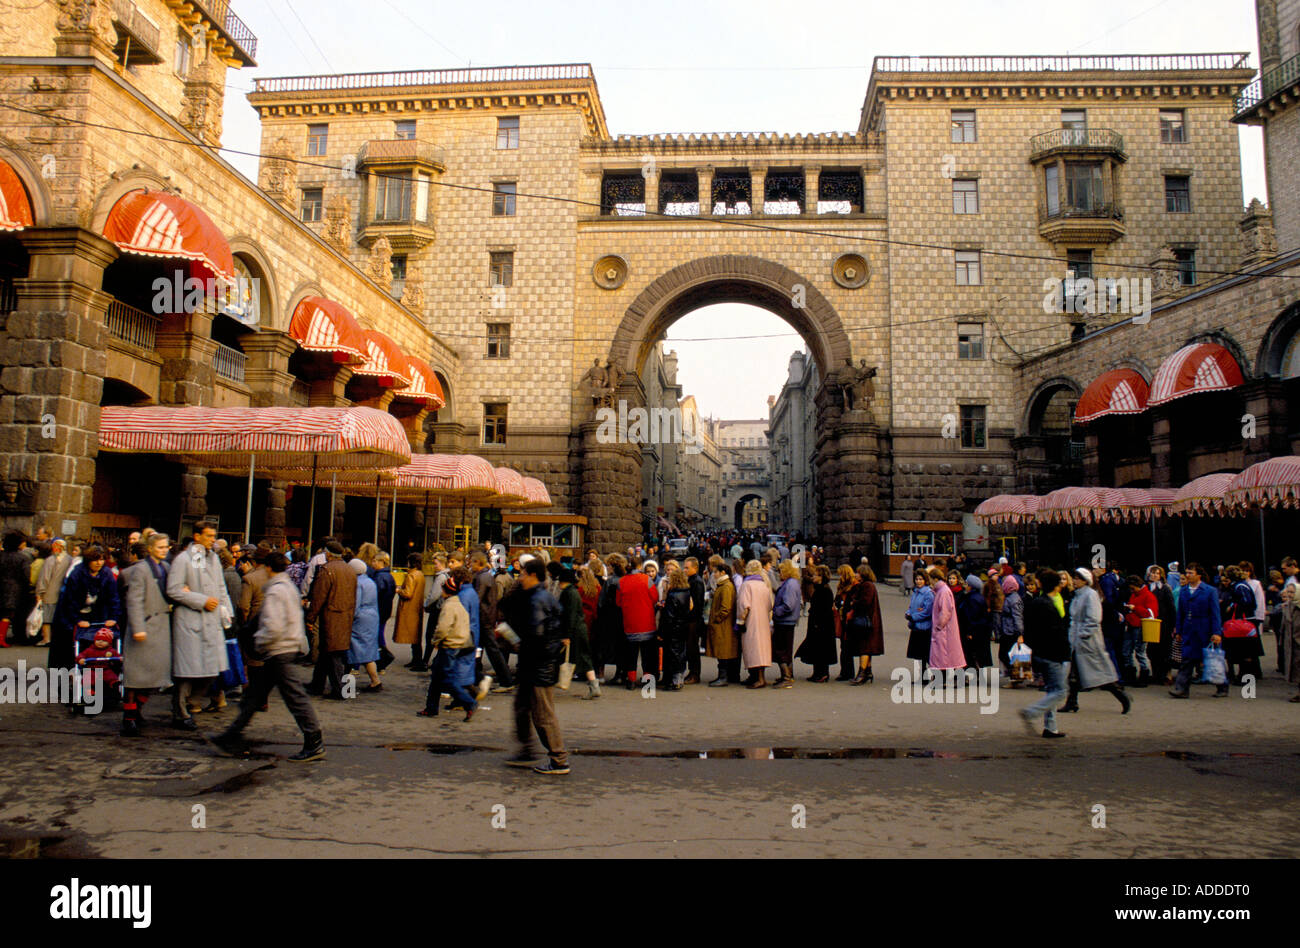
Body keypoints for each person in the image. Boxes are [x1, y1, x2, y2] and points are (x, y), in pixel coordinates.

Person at [213, 552, 324, 762]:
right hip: (286, 647)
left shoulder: (275, 591)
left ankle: (314, 740)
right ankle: (231, 735)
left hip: (278, 650)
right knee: (255, 696)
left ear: (268, 568)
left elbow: (272, 626)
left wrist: (259, 644)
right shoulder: (289, 588)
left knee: (294, 697)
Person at [499, 558, 568, 775]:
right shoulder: (540, 596)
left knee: (543, 715)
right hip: (537, 663)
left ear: (532, 575)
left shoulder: (536, 599)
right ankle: (527, 750)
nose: (519, 577)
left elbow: (535, 636)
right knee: (523, 708)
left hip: (538, 665)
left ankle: (559, 759)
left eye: (522, 574)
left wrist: (512, 638)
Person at [119, 533, 173, 737]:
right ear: (150, 549)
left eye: (166, 547)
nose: (164, 550)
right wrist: (138, 627)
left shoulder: (166, 568)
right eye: (160, 547)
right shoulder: (141, 569)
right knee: (135, 676)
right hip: (144, 626)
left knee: (155, 675)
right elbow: (133, 600)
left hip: (161, 627)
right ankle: (129, 718)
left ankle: (138, 711)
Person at [1061, 568, 1131, 714]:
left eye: (1078, 578)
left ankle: (1121, 696)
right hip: (1076, 640)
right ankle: (1072, 702)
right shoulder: (1077, 595)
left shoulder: (1091, 595)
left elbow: (1094, 618)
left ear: (1086, 581)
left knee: (1100, 673)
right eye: (1074, 578)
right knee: (1073, 674)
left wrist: (1083, 634)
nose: (1074, 581)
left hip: (1089, 641)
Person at [1019, 569, 1071, 739]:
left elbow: (1029, 629)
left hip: (1041, 652)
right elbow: (1057, 632)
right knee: (1060, 691)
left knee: (1051, 690)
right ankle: (1031, 712)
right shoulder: (1049, 605)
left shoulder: (1036, 602)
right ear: (1056, 586)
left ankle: (1051, 727)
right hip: (1054, 654)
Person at [419, 573, 477, 721]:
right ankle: (431, 707)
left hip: (449, 645)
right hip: (458, 643)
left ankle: (469, 702)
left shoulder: (449, 606)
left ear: (446, 591)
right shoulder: (459, 604)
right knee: (437, 677)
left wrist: (435, 640)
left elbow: (443, 628)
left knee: (447, 679)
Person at [305, 540, 357, 699]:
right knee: (327, 652)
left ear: (328, 554)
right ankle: (317, 684)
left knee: (332, 653)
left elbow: (318, 597)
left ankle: (340, 690)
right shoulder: (350, 570)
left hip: (331, 616)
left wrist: (310, 617)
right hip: (346, 616)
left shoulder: (327, 570)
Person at [1170, 563, 1225, 698]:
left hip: (1205, 630)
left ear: (1198, 575)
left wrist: (1217, 632)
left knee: (1211, 660)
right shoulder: (1183, 591)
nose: (1187, 575)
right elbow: (1180, 613)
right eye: (1187, 573)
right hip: (1189, 630)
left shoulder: (1209, 591)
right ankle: (1182, 689)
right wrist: (1179, 631)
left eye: (1191, 573)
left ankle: (1222, 686)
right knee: (1186, 660)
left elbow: (1215, 613)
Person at [552, 562, 599, 698]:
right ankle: (594, 685)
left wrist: (566, 635)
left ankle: (551, 684)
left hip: (574, 631)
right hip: (580, 629)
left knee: (575, 657)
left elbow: (569, 615)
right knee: (584, 657)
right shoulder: (572, 592)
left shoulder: (569, 593)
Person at [470, 552, 513, 691]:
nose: (470, 565)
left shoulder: (482, 578)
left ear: (478, 563)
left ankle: (506, 681)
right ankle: (476, 677)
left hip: (484, 618)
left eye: (472, 562)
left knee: (491, 650)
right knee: (480, 649)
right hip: (486, 617)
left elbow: (477, 598)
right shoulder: (486, 576)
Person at [617, 553, 660, 688]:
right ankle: (648, 680)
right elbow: (655, 598)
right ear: (641, 566)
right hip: (646, 622)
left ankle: (631, 680)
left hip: (630, 623)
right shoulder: (646, 580)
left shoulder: (621, 582)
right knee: (647, 655)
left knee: (631, 654)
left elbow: (618, 602)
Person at [736, 560, 774, 688]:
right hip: (763, 620)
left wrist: (740, 620)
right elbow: (769, 604)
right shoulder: (763, 584)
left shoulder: (747, 585)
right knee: (761, 649)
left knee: (753, 649)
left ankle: (758, 678)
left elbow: (743, 605)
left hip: (751, 620)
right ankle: (756, 676)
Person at [795, 565, 836, 681]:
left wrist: (818, 622)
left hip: (822, 624)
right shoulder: (819, 588)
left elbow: (824, 609)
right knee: (816, 648)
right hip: (817, 623)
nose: (814, 577)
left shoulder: (825, 590)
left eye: (816, 575)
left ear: (822, 577)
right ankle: (817, 672)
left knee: (821, 648)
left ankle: (822, 673)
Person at [347, 558, 382, 692]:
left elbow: (356, 604)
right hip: (372, 617)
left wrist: (350, 617)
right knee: (368, 649)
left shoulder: (357, 583)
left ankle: (349, 684)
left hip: (360, 619)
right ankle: (375, 680)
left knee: (357, 649)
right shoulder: (370, 581)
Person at [926, 566, 965, 682]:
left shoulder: (943, 592)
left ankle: (940, 679)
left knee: (942, 656)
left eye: (931, 579)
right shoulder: (942, 590)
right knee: (945, 656)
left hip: (943, 630)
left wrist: (939, 626)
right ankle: (942, 678)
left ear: (935, 579)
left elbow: (945, 612)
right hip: (944, 629)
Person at [659, 567, 693, 690]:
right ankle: (679, 678)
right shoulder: (686, 592)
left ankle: (674, 681)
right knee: (680, 653)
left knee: (672, 654)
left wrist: (662, 630)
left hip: (673, 628)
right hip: (683, 626)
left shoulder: (673, 595)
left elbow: (669, 616)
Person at [706, 559, 740, 685]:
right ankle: (725, 676)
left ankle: (723, 677)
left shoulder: (726, 586)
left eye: (715, 572)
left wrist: (716, 619)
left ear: (722, 572)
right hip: (723, 625)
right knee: (723, 651)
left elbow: (725, 608)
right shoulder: (725, 585)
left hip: (723, 625)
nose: (714, 574)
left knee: (723, 652)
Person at [33, 537, 71, 648]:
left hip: (50, 592)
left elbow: (44, 578)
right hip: (64, 593)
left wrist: (40, 592)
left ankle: (46, 638)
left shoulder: (50, 560)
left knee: (47, 617)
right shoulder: (69, 559)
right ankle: (56, 638)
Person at [1120, 574, 1157, 687]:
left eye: (1132, 588)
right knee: (1127, 651)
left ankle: (1144, 675)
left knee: (1140, 652)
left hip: (1140, 626)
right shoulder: (1136, 595)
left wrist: (1134, 608)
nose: (1131, 590)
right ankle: (1133, 676)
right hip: (1131, 625)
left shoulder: (1148, 596)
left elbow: (1151, 614)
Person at [771, 560, 802, 688]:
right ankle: (788, 675)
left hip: (784, 621)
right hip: (788, 621)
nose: (779, 574)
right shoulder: (793, 583)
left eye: (781, 571)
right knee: (786, 649)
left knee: (780, 650)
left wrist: (776, 611)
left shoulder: (789, 585)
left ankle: (786, 677)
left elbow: (788, 605)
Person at [393, 552, 426, 669]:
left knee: (414, 638)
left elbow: (408, 593)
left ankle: (417, 660)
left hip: (409, 609)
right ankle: (416, 659)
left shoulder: (411, 575)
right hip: (417, 608)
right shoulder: (420, 574)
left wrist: (398, 590)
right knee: (416, 637)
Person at [0, 531, 31, 646]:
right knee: (7, 614)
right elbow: (26, 575)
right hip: (14, 589)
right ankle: (1, 638)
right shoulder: (22, 558)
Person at [957, 574, 993, 671]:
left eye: (967, 584)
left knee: (973, 654)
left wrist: (969, 632)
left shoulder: (972, 599)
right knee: (978, 654)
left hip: (975, 631)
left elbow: (971, 617)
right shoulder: (978, 597)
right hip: (981, 630)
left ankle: (976, 674)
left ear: (971, 586)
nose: (965, 586)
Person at [369, 552, 397, 673]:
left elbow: (375, 594)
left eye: (375, 561)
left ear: (381, 562)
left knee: (377, 636)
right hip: (385, 609)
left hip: (378, 610)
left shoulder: (380, 577)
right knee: (379, 633)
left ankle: (383, 658)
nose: (372, 563)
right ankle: (381, 661)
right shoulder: (388, 576)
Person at [905, 568, 934, 675]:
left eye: (921, 579)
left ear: (925, 580)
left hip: (924, 627)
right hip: (916, 626)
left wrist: (914, 617)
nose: (918, 581)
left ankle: (935, 674)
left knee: (926, 654)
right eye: (917, 579)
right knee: (918, 655)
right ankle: (922, 675)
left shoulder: (928, 593)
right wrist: (908, 613)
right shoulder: (916, 592)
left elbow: (927, 611)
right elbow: (912, 606)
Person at [833, 564, 857, 680]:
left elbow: (853, 602)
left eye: (841, 574)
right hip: (842, 617)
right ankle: (845, 671)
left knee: (847, 647)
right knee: (844, 646)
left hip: (849, 619)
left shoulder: (854, 586)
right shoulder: (842, 586)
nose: (840, 577)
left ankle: (848, 672)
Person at [683, 557, 705, 684]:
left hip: (693, 620)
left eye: (687, 568)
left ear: (695, 568)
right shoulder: (692, 580)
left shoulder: (696, 581)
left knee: (692, 648)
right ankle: (692, 672)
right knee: (690, 648)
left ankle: (695, 674)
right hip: (692, 619)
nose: (685, 570)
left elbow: (696, 603)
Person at [998, 574, 1024, 679]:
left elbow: (1017, 617)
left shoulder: (1013, 599)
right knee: (1006, 655)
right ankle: (1014, 676)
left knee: (1006, 655)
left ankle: (1015, 676)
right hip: (1007, 630)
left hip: (1011, 631)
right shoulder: (1010, 597)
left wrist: (1019, 633)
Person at [1279, 584, 1300, 702]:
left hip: (1298, 640)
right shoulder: (1286, 606)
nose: (1290, 595)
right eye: (1288, 592)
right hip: (1291, 642)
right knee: (1296, 668)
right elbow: (1283, 626)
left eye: (1292, 592)